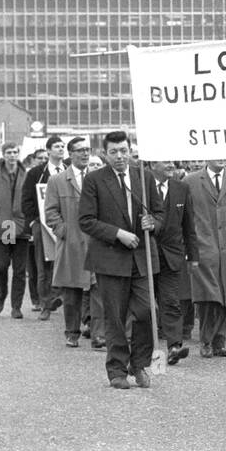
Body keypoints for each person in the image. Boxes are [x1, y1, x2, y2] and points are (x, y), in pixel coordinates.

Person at [78, 130, 164, 389]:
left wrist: (153, 223)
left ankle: (139, 365)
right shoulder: (94, 180)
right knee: (114, 316)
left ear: (131, 150)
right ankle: (116, 370)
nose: (120, 156)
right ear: (104, 154)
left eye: (124, 151)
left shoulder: (144, 177)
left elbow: (159, 213)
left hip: (142, 259)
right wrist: (117, 234)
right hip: (110, 259)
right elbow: (86, 220)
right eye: (114, 152)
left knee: (148, 312)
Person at [185, 158, 226, 359]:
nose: (221, 157)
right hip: (203, 246)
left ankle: (219, 341)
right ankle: (206, 340)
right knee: (209, 297)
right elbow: (185, 216)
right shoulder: (190, 181)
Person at [43, 137, 94, 349]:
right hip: (71, 242)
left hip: (95, 242)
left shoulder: (97, 178)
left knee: (97, 290)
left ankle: (96, 331)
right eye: (80, 150)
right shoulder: (57, 180)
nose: (85, 154)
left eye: (87, 150)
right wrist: (63, 230)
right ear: (70, 154)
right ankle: (72, 332)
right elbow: (50, 212)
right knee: (71, 292)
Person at [151, 160, 198, 366]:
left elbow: (189, 225)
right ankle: (143, 350)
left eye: (172, 161)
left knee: (171, 301)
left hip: (172, 255)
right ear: (152, 163)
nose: (171, 165)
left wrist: (193, 256)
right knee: (144, 305)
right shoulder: (140, 187)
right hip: (144, 255)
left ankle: (174, 347)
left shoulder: (181, 188)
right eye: (165, 161)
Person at [0, 144, 32, 318]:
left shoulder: (27, 176)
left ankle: (16, 306)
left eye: (15, 152)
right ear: (3, 155)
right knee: (1, 266)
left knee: (19, 270)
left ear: (19, 154)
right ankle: (2, 294)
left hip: (21, 228)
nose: (12, 155)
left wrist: (29, 220)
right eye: (9, 153)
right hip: (2, 228)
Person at [23, 136, 67, 321]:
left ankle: (56, 296)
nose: (60, 149)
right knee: (43, 267)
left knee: (64, 264)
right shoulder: (36, 173)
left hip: (65, 227)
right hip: (42, 227)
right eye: (57, 146)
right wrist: (34, 222)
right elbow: (26, 200)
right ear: (48, 150)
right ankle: (44, 304)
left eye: (62, 146)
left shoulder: (69, 170)